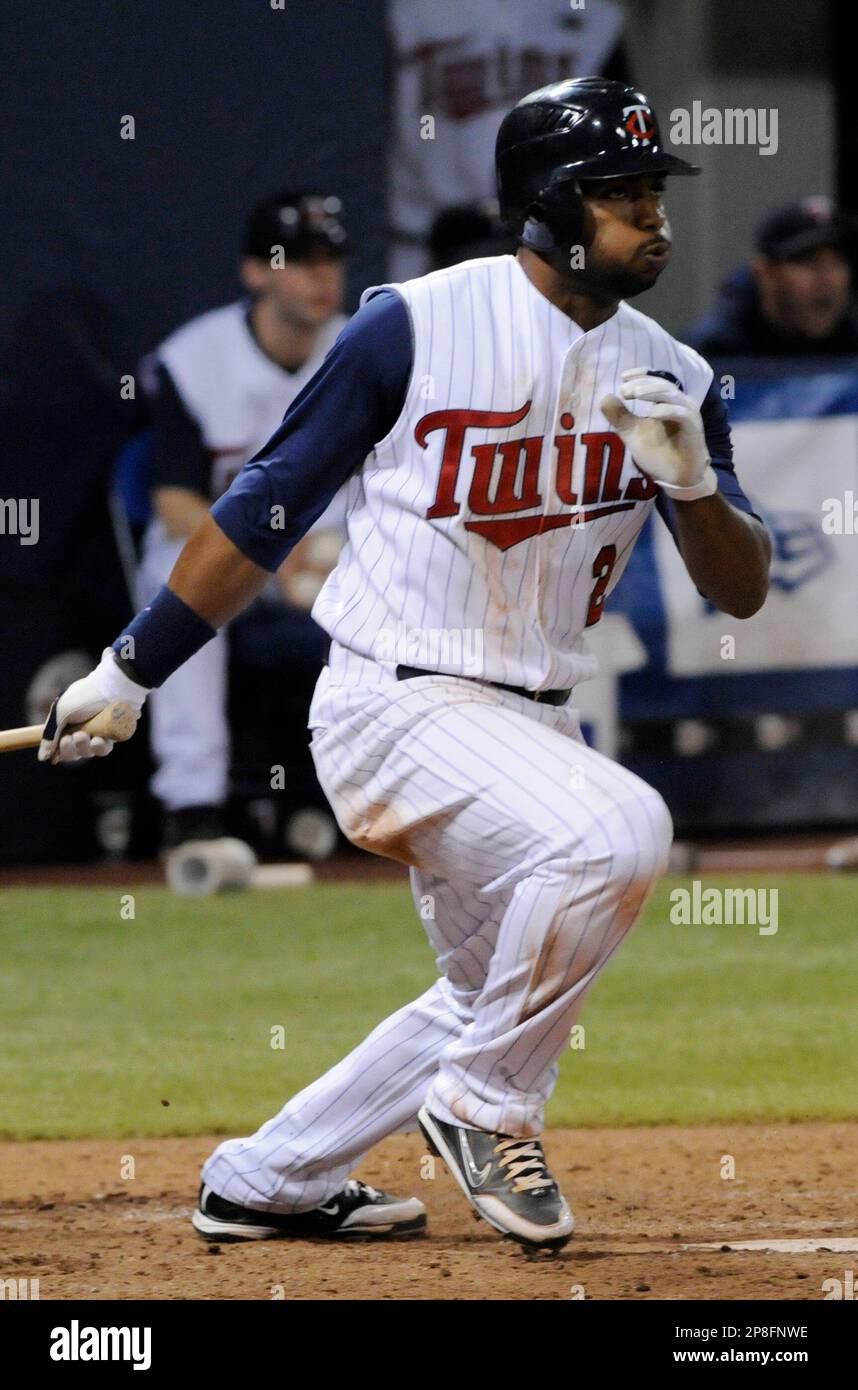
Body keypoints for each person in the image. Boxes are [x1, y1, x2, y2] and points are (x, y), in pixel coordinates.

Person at [39, 78, 770, 1251]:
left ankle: (265, 1179)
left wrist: (690, 481)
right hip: (397, 701)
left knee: (492, 995)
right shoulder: (415, 325)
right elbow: (259, 513)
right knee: (618, 833)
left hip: (534, 726)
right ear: (550, 206)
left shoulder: (673, 374)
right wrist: (133, 670)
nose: (656, 216)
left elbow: (738, 586)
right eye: (623, 194)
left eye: (655, 191)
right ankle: (484, 1110)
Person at [138, 190, 348, 848]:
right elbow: (173, 503)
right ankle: (193, 807)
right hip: (228, 552)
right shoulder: (196, 358)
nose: (323, 278)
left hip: (338, 552)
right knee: (170, 579)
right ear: (257, 271)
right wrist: (271, 559)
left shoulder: (364, 349)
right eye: (302, 261)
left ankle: (378, 806)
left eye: (333, 260)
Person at [685, 196, 858, 357]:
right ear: (765, 272)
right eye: (809, 263)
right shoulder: (712, 352)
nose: (827, 279)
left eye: (838, 263)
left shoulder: (851, 344)